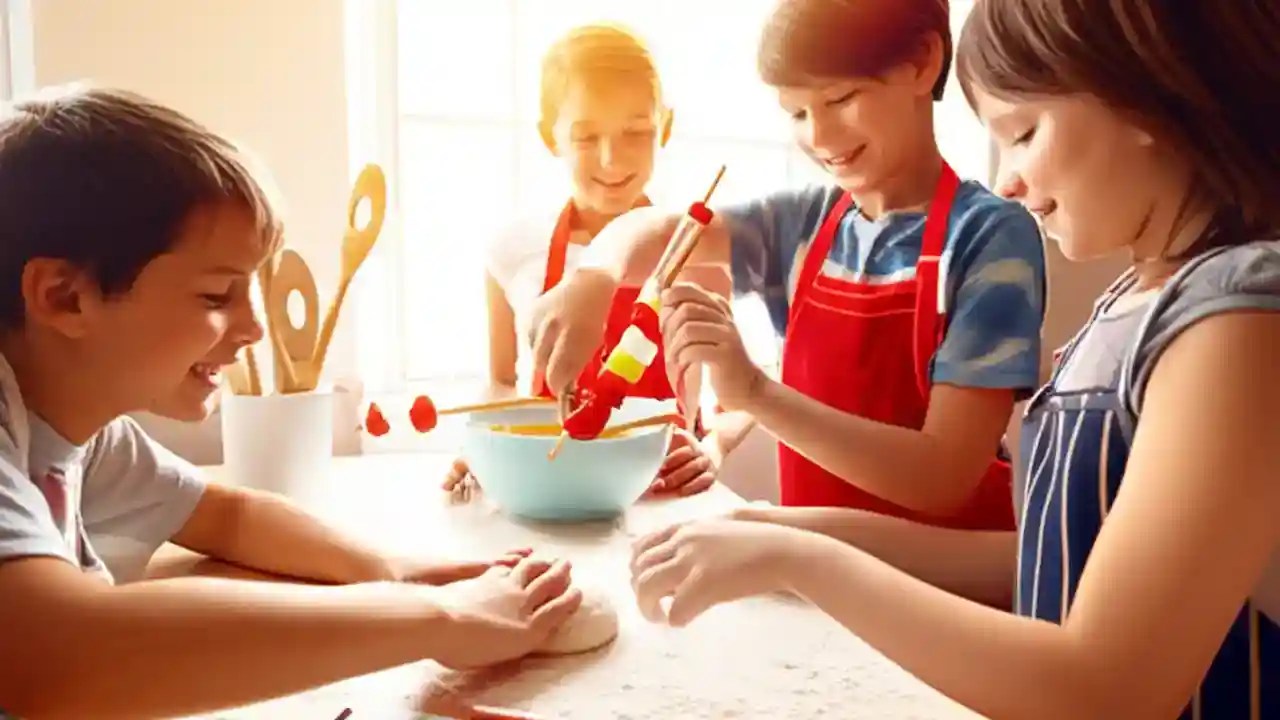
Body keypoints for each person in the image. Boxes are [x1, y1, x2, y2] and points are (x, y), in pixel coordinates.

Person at [630, 1, 1280, 717]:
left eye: (1024, 133)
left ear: (1149, 100)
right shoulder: (1136, 298)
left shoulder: (1236, 321)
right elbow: (1036, 562)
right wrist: (780, 531)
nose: (1008, 181)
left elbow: (1108, 686)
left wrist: (804, 560)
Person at [0, 85, 581, 718]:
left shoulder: (71, 421)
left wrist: (390, 572)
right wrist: (434, 619)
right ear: (64, 297)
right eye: (217, 296)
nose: (253, 328)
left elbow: (224, 516)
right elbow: (62, 655)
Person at [528, 0, 1046, 530]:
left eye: (840, 99)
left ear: (921, 62)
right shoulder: (805, 224)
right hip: (815, 579)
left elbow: (942, 478)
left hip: (945, 598)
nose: (819, 137)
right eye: (797, 113)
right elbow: (664, 231)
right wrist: (594, 275)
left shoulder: (989, 237)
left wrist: (755, 392)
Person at [444, 23, 722, 498]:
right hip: (557, 487)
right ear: (549, 137)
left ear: (666, 127)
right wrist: (489, 451)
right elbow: (501, 381)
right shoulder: (514, 249)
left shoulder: (701, 248)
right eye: (586, 137)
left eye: (636, 131)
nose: (612, 160)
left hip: (664, 493)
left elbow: (736, 399)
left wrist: (710, 450)